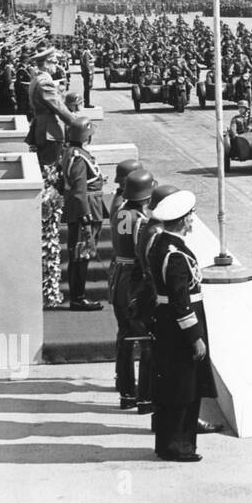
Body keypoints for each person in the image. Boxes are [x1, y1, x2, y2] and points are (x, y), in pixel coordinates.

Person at [146, 190, 215, 462]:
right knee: (184, 388)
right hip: (179, 329)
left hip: (165, 324)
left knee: (172, 387)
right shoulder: (175, 255)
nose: (193, 220)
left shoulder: (160, 244)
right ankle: (178, 446)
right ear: (183, 220)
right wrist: (195, 336)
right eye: (190, 216)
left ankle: (167, 443)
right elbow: (181, 302)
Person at [109, 168, 156, 411]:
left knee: (125, 337)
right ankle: (146, 398)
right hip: (134, 282)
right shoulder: (141, 220)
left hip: (118, 277)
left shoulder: (119, 211)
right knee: (145, 340)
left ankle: (126, 392)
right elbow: (143, 255)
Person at [58, 117, 105, 312]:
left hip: (84, 208)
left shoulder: (72, 152)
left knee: (80, 256)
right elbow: (78, 190)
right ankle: (78, 298)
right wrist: (85, 216)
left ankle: (79, 296)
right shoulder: (78, 156)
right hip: (86, 210)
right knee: (81, 256)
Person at [27, 45, 77, 167]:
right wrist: (76, 123)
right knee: (50, 167)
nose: (57, 65)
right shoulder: (44, 82)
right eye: (54, 62)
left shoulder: (37, 78)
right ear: (45, 64)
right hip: (49, 131)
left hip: (41, 126)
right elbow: (58, 107)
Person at [78, 44, 95, 109]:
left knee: (87, 88)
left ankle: (87, 103)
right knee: (87, 88)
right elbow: (87, 63)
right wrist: (89, 71)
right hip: (88, 73)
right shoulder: (86, 53)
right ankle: (87, 103)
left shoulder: (85, 53)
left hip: (86, 73)